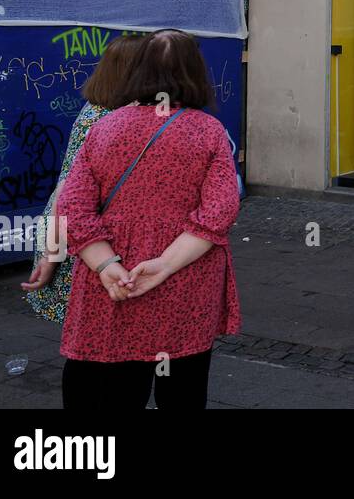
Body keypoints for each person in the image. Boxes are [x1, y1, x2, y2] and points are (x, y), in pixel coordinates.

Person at [58, 30, 241, 409]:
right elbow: (219, 211)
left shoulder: (102, 128)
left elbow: (72, 206)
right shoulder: (209, 132)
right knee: (183, 390)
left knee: (113, 386)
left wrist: (106, 263)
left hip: (111, 282)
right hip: (187, 281)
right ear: (195, 73)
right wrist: (164, 264)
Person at [22, 34, 148, 319]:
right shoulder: (103, 120)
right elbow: (68, 193)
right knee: (92, 334)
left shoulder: (101, 110)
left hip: (84, 237)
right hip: (81, 240)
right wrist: (51, 258)